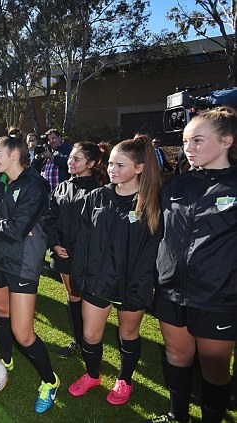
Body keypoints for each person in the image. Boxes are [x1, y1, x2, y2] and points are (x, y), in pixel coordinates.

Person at [149, 107, 237, 423]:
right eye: (186, 141)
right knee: (177, 357)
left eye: (198, 140)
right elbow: (161, 235)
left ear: (227, 140)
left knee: (214, 368)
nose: (189, 148)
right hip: (172, 292)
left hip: (219, 297)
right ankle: (177, 415)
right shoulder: (175, 186)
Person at [69, 135, 162, 406]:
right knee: (89, 335)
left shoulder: (150, 203)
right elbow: (82, 243)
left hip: (130, 285)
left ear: (140, 168)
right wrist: (80, 278)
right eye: (110, 164)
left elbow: (151, 251)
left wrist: (140, 286)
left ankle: (125, 379)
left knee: (128, 334)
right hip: (96, 282)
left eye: (120, 165)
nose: (112, 170)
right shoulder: (96, 197)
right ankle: (93, 374)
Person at [0, 132, 59, 413]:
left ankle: (50, 381)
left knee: (23, 333)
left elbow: (15, 231)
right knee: (1, 313)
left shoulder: (36, 185)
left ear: (15, 155)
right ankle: (6, 360)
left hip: (23, 263)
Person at [48, 141, 110, 358]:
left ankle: (91, 341)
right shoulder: (62, 187)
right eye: (70, 158)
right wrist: (55, 243)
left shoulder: (102, 190)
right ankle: (78, 341)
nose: (70, 162)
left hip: (90, 257)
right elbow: (51, 218)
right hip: (65, 255)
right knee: (73, 296)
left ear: (92, 163)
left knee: (89, 299)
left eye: (76, 159)